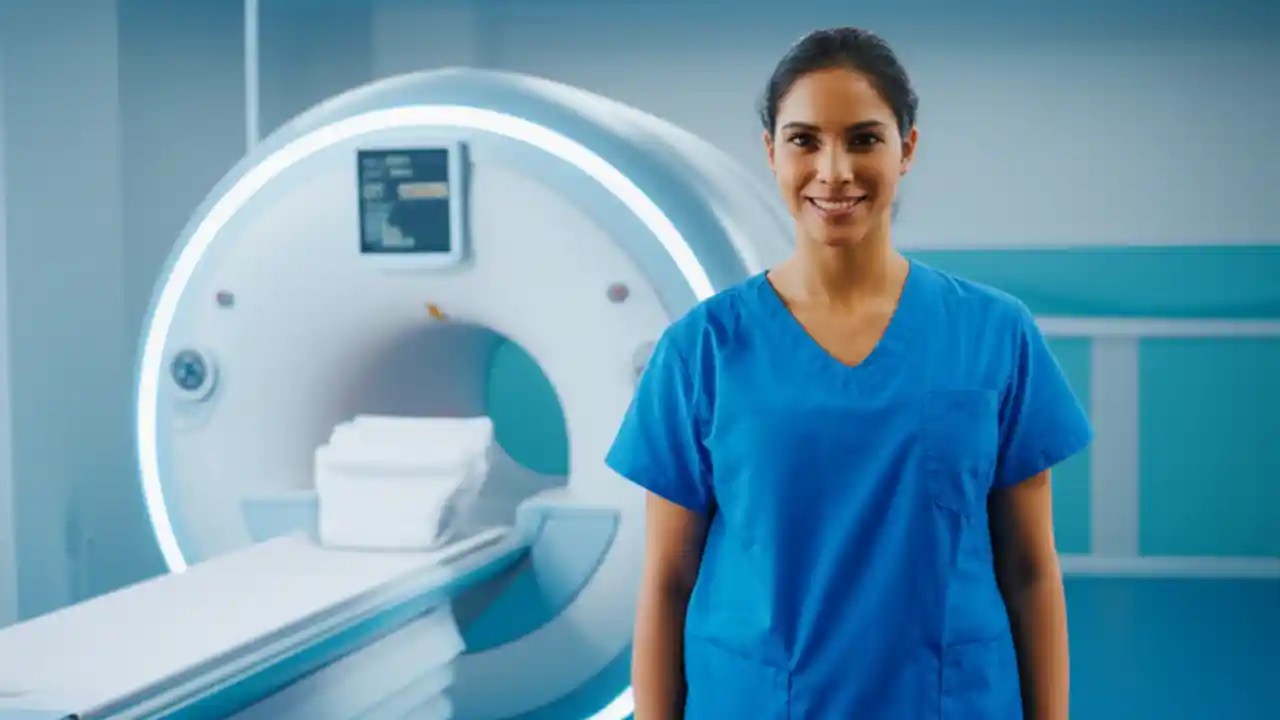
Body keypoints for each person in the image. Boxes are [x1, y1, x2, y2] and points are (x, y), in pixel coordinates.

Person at [604, 26, 1093, 720]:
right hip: (759, 701)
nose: (834, 170)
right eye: (805, 140)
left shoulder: (994, 334)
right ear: (771, 152)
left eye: (864, 138)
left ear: (908, 148)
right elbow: (667, 583)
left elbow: (1031, 570)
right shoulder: (704, 349)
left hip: (947, 702)